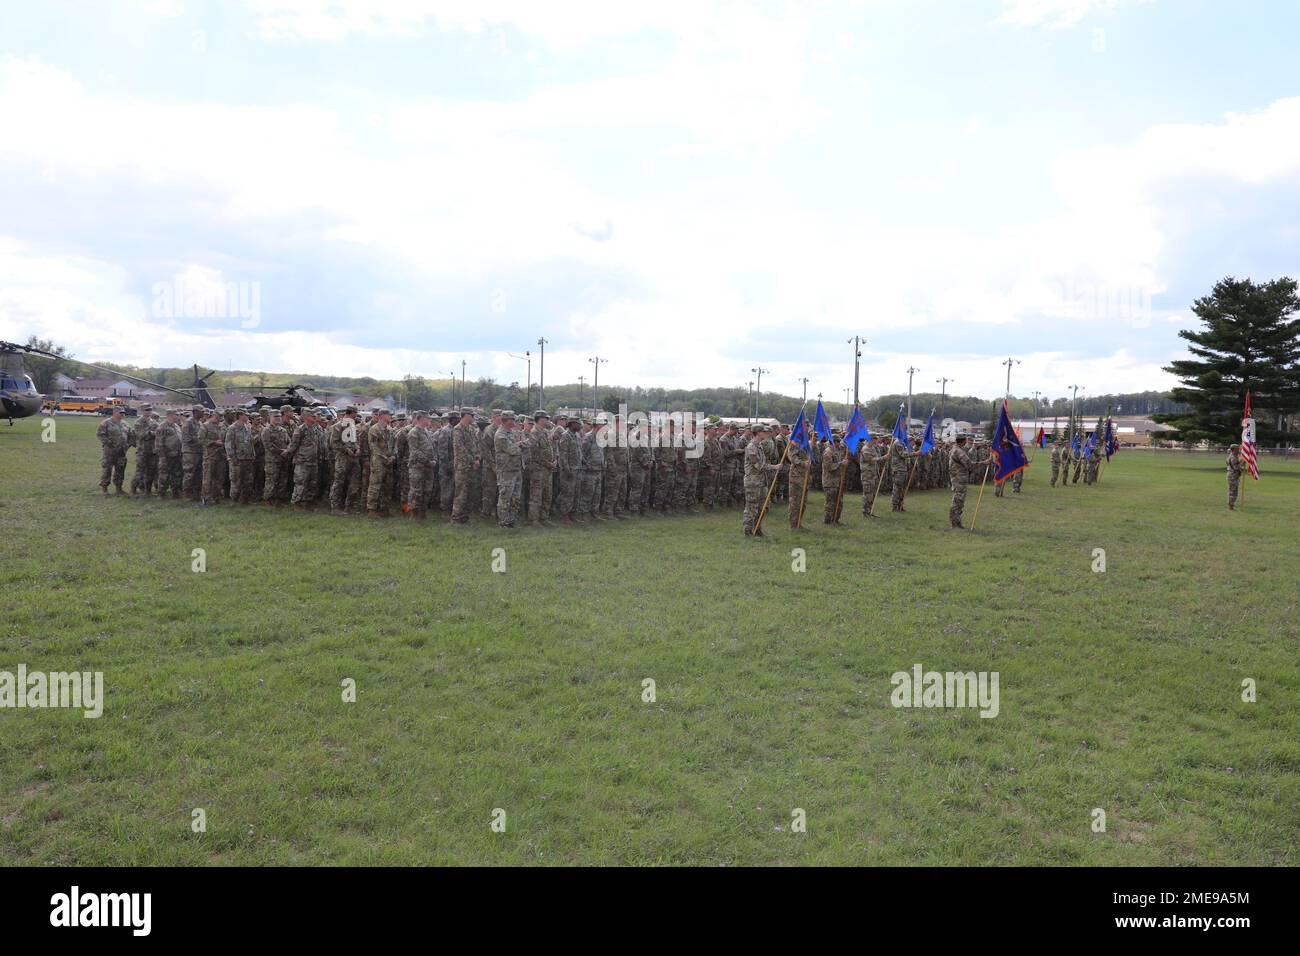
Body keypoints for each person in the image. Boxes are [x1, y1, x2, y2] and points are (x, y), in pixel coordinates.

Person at [743, 423, 778, 536]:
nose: (766, 433)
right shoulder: (751, 447)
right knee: (752, 507)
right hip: (753, 482)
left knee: (762, 507)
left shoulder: (760, 446)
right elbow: (759, 465)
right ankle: (748, 531)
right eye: (763, 432)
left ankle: (757, 529)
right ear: (758, 433)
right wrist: (774, 467)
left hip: (762, 481)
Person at [493, 410, 522, 527]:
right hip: (506, 471)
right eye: (513, 419)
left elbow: (522, 446)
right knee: (505, 497)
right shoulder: (500, 434)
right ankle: (504, 523)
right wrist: (519, 445)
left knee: (515, 498)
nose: (514, 421)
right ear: (507, 420)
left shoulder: (511, 432)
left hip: (515, 469)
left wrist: (519, 444)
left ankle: (512, 520)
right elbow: (513, 450)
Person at [96, 406, 130, 495]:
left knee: (120, 470)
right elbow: (100, 434)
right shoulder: (106, 423)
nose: (122, 414)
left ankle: (119, 488)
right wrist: (109, 443)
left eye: (123, 413)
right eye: (121, 413)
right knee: (107, 469)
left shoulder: (125, 424)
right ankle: (104, 489)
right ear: (115, 413)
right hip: (110, 451)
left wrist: (127, 445)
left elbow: (130, 435)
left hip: (121, 451)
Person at [821, 433, 846, 524]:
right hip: (830, 482)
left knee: (839, 502)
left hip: (837, 481)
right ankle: (828, 521)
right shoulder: (828, 452)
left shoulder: (836, 451)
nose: (840, 443)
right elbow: (829, 467)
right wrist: (840, 463)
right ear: (833, 442)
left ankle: (836, 519)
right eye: (838, 441)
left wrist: (842, 464)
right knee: (830, 503)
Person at [1226, 443, 1243, 510]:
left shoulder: (1232, 456)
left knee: (1233, 491)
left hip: (1233, 476)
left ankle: (1231, 505)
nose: (1239, 450)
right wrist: (1242, 464)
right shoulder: (1233, 457)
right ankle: (1231, 506)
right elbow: (1236, 468)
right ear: (1234, 450)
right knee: (1233, 492)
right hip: (1233, 477)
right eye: (1238, 449)